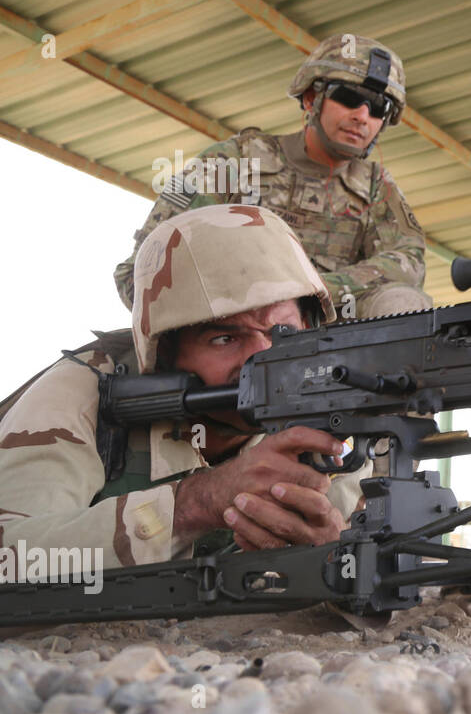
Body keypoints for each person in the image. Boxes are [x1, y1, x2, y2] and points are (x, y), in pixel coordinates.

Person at [0, 205, 368, 568]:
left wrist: (328, 557)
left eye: (281, 332)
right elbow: (10, 561)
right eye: (225, 338)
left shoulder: (330, 418)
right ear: (165, 355)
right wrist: (193, 505)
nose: (264, 359)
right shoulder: (82, 394)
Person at [113, 34, 430, 319]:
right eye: (348, 98)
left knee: (402, 302)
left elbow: (408, 262)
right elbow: (144, 269)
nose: (362, 116)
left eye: (378, 108)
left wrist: (310, 291)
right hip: (232, 326)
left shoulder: (376, 186)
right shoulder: (234, 161)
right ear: (310, 98)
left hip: (329, 334)